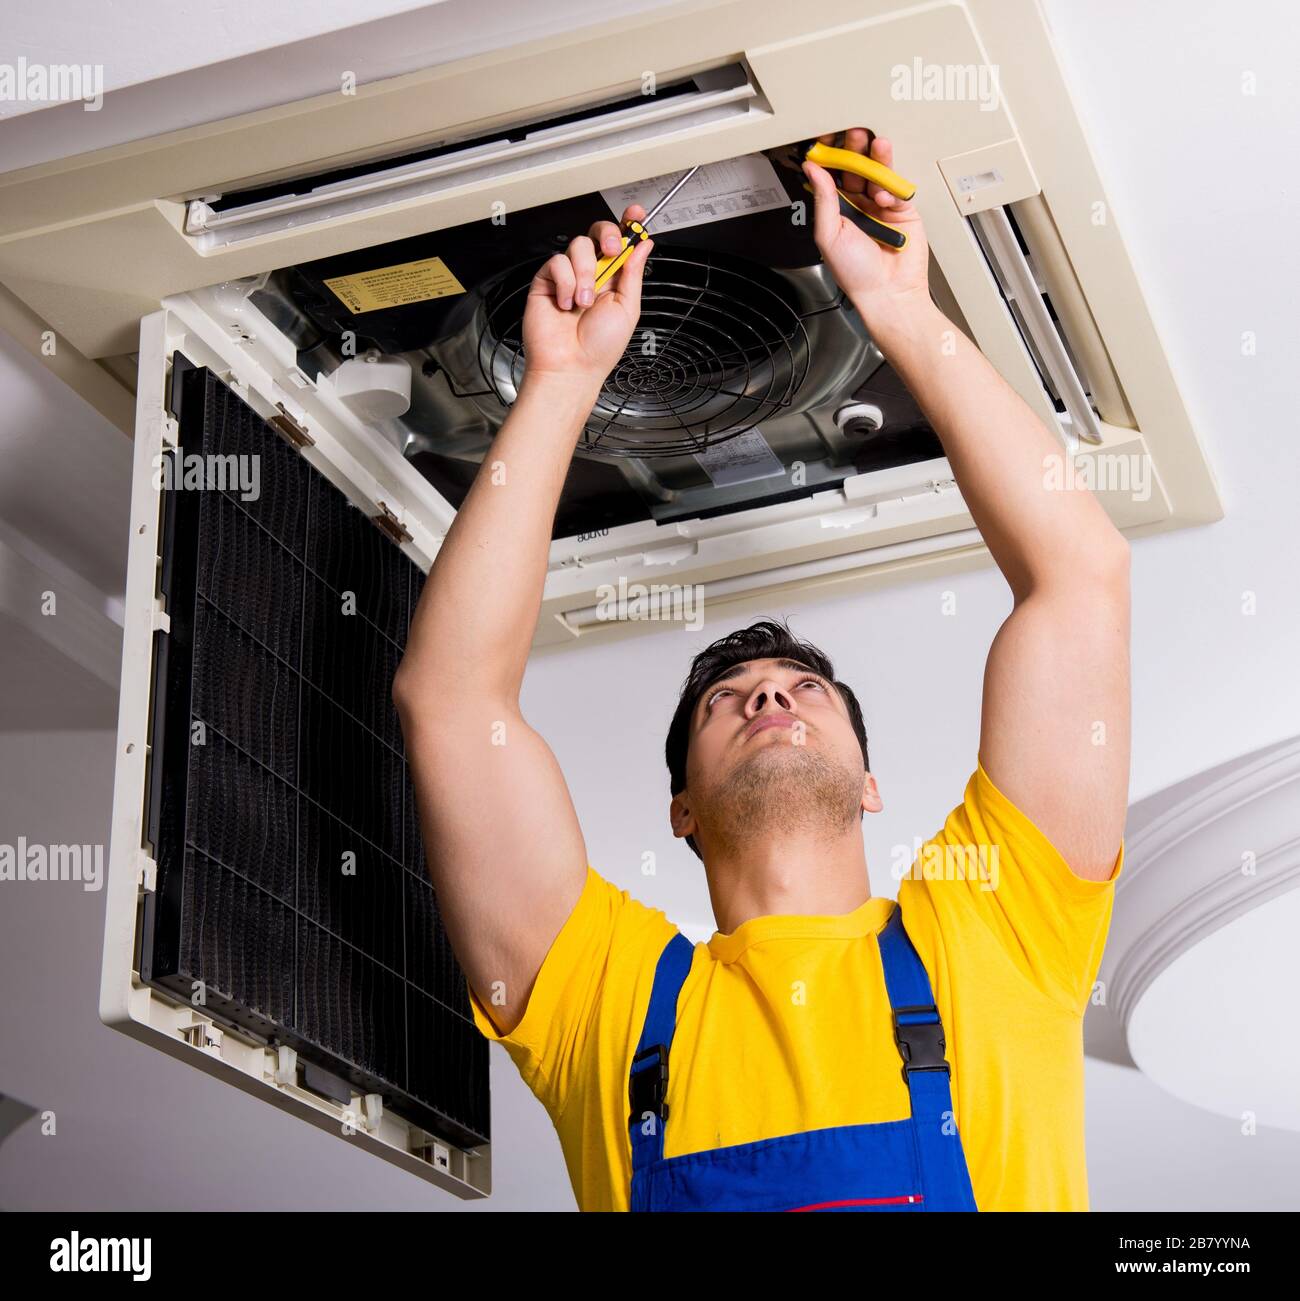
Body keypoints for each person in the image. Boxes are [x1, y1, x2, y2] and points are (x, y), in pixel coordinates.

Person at [392, 128, 1130, 1212]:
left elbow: (1083, 576)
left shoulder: (999, 928)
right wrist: (560, 380)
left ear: (870, 785)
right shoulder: (609, 1001)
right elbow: (449, 702)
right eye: (727, 701)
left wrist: (901, 310)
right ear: (681, 809)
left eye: (804, 691)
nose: (771, 695)